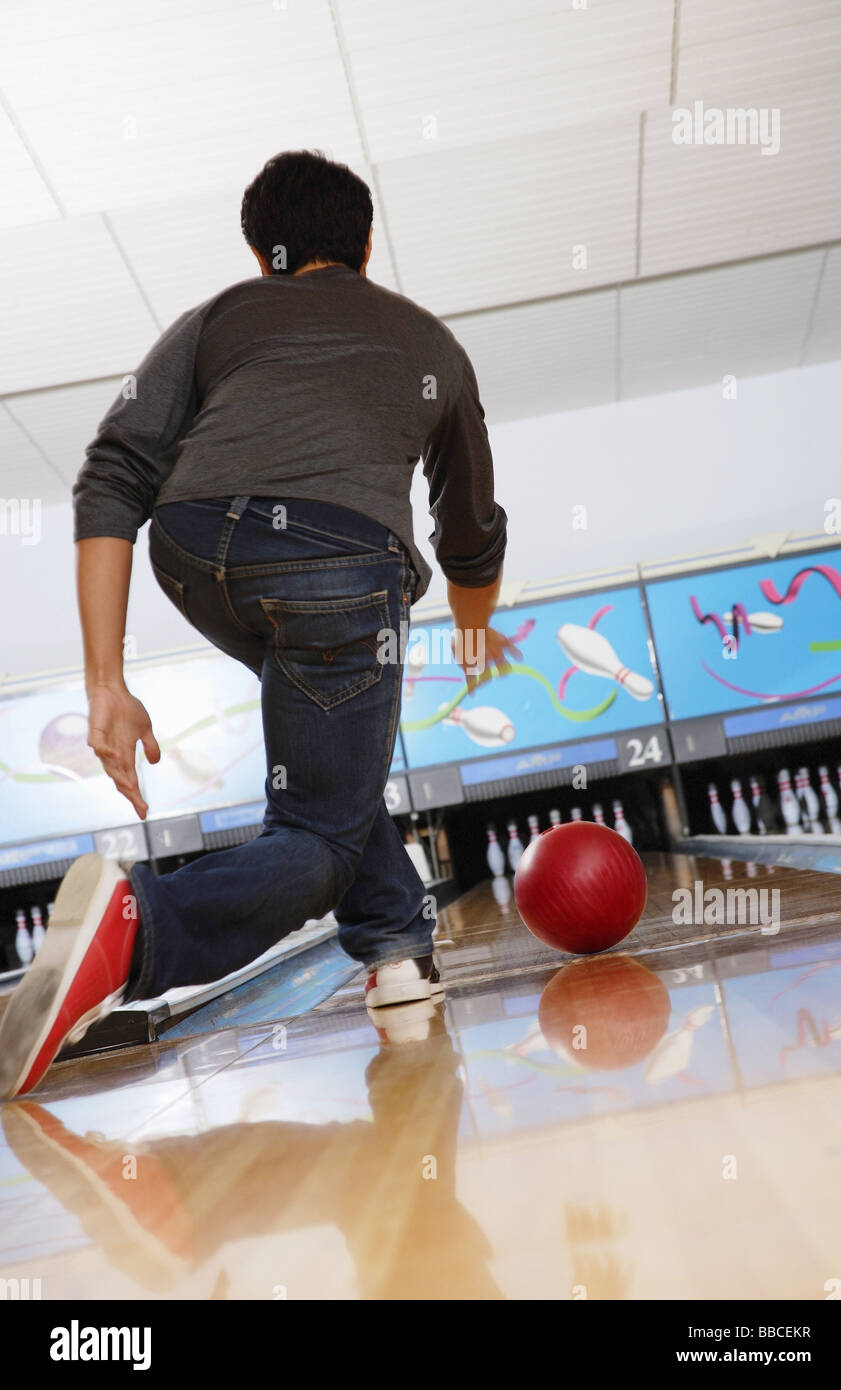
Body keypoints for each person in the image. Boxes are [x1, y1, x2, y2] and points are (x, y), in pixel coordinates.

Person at [0, 149, 514, 1101]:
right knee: (317, 833)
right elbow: (469, 529)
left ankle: (398, 945)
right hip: (340, 573)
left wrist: (104, 682)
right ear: (367, 241)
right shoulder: (433, 346)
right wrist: (475, 628)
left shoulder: (216, 320)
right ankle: (140, 929)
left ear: (261, 251)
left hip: (196, 555)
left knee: (334, 763)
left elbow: (110, 477)